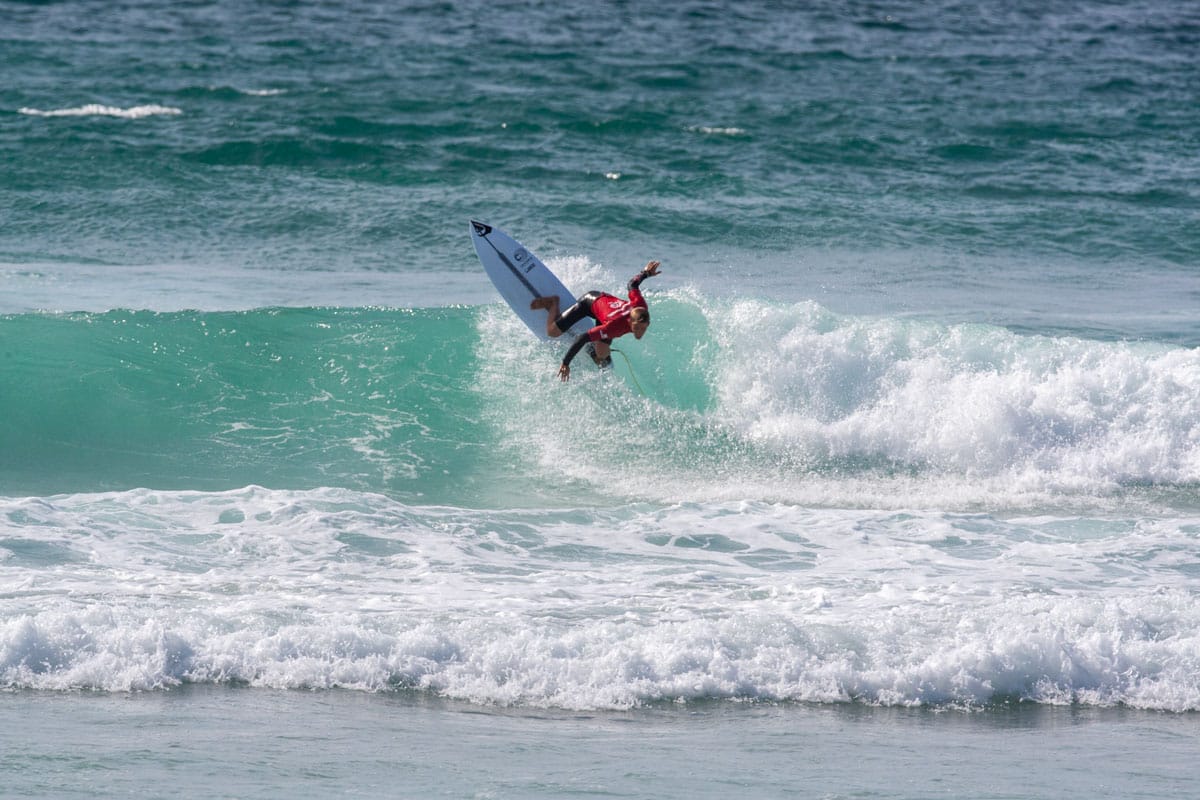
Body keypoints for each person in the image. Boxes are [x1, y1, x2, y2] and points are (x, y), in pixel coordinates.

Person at [530, 260, 661, 381]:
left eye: (643, 328)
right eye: (637, 328)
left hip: (605, 313)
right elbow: (582, 338)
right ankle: (553, 303)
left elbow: (632, 284)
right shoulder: (613, 327)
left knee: (601, 354)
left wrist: (646, 273)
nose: (639, 332)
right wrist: (565, 362)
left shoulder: (640, 305)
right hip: (590, 302)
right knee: (552, 332)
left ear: (648, 323)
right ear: (630, 322)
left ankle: (593, 347)